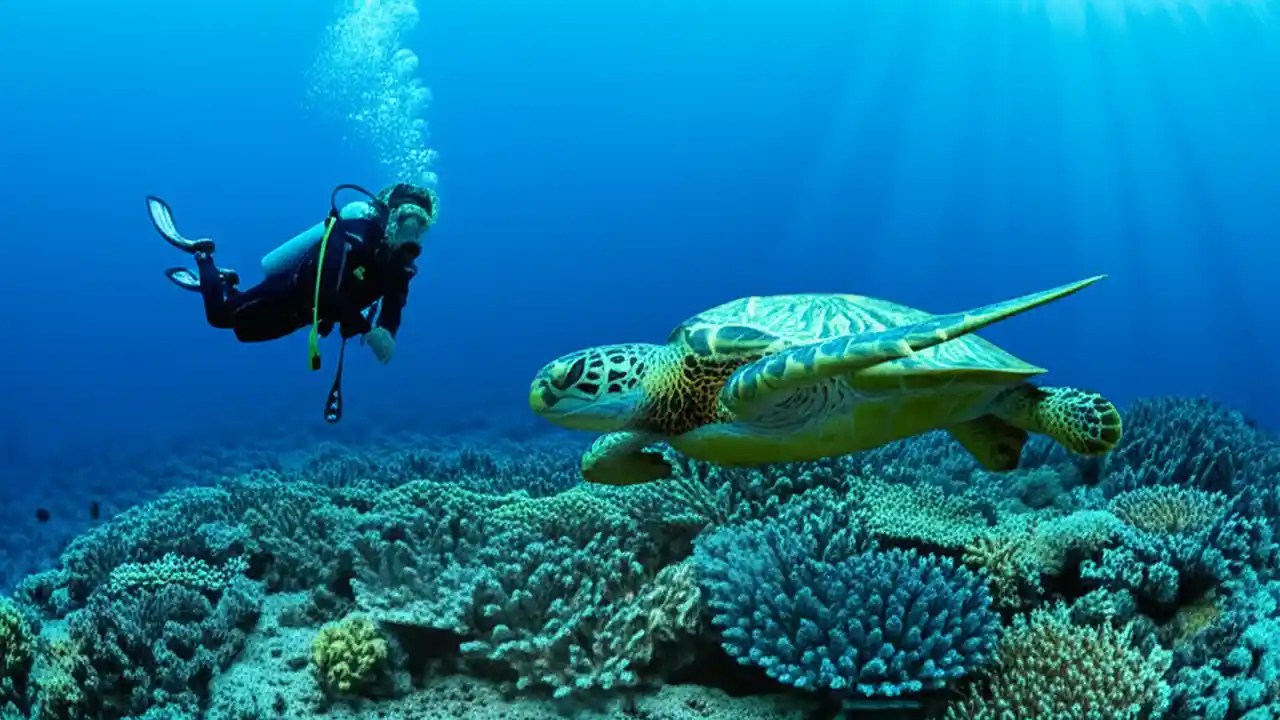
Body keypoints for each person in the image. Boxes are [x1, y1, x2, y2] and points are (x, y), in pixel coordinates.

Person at [147, 183, 436, 366]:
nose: (414, 237)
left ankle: (228, 282)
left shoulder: (400, 266)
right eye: (409, 223)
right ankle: (203, 254)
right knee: (220, 318)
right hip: (289, 293)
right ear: (392, 219)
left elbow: (395, 303)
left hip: (305, 316)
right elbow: (324, 288)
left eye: (422, 229)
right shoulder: (354, 233)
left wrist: (388, 331)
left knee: (243, 331)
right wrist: (366, 331)